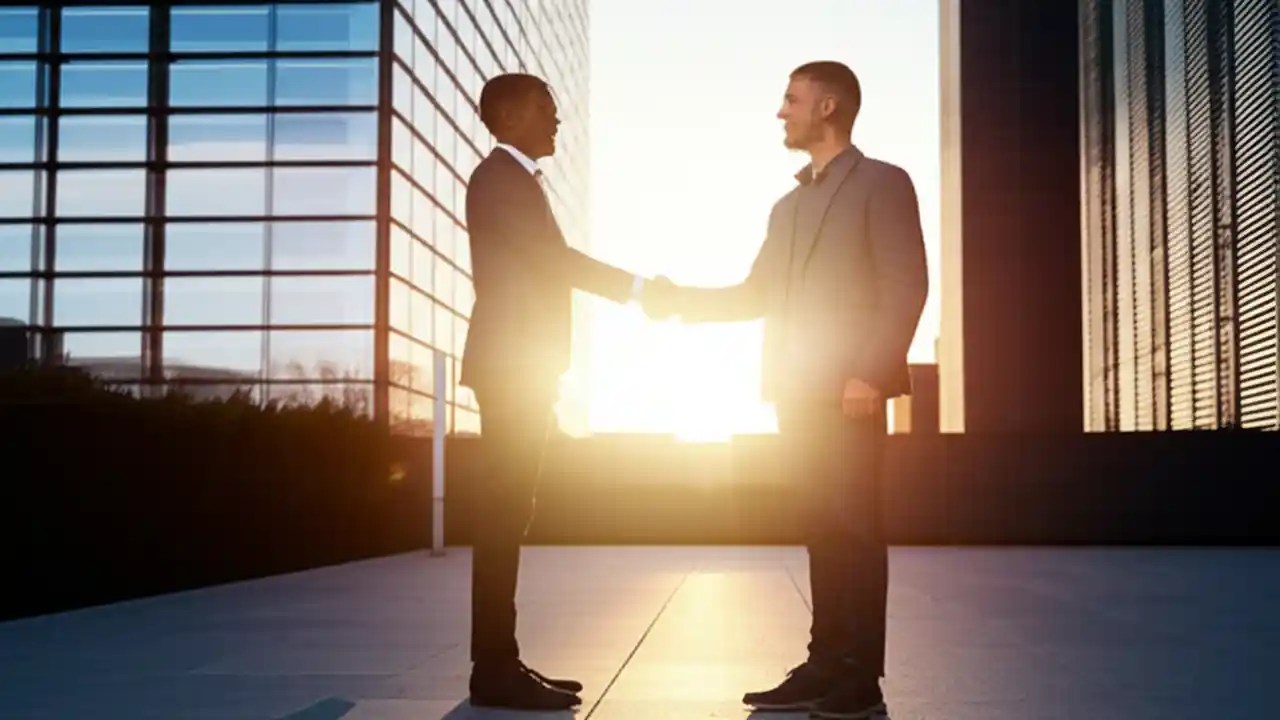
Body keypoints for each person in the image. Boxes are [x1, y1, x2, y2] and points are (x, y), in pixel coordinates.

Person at [645, 61, 928, 719]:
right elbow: (755, 294)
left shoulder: (884, 183)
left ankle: (860, 679)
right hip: (793, 392)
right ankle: (825, 662)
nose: (782, 112)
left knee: (856, 530)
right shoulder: (787, 206)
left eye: (791, 99)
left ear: (828, 107)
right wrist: (675, 301)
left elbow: (906, 283)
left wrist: (869, 369)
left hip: (849, 389)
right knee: (821, 529)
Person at [462, 73, 653, 711]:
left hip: (523, 367)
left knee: (512, 514)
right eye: (547, 110)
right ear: (512, 116)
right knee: (502, 517)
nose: (557, 123)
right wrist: (639, 289)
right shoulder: (500, 180)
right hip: (511, 367)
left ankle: (502, 661)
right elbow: (556, 261)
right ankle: (493, 671)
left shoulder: (516, 182)